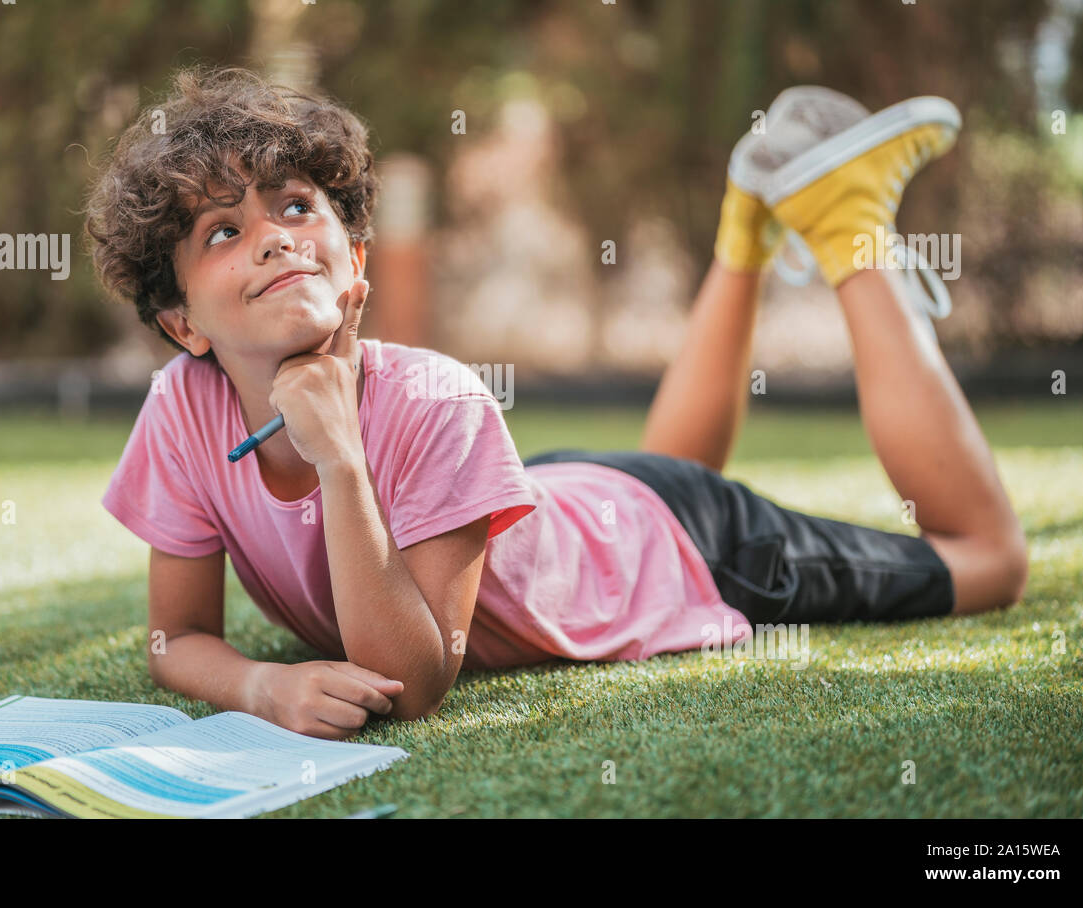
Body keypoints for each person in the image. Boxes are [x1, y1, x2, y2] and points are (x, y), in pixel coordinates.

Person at [85, 66, 1027, 741]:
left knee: (991, 563)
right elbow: (180, 637)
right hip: (572, 498)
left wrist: (339, 455)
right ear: (182, 323)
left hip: (688, 549)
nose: (274, 239)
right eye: (223, 230)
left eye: (296, 208)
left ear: (355, 259)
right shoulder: (182, 411)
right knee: (668, 474)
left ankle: (846, 223)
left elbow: (410, 683)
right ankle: (750, 212)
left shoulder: (438, 400)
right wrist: (259, 685)